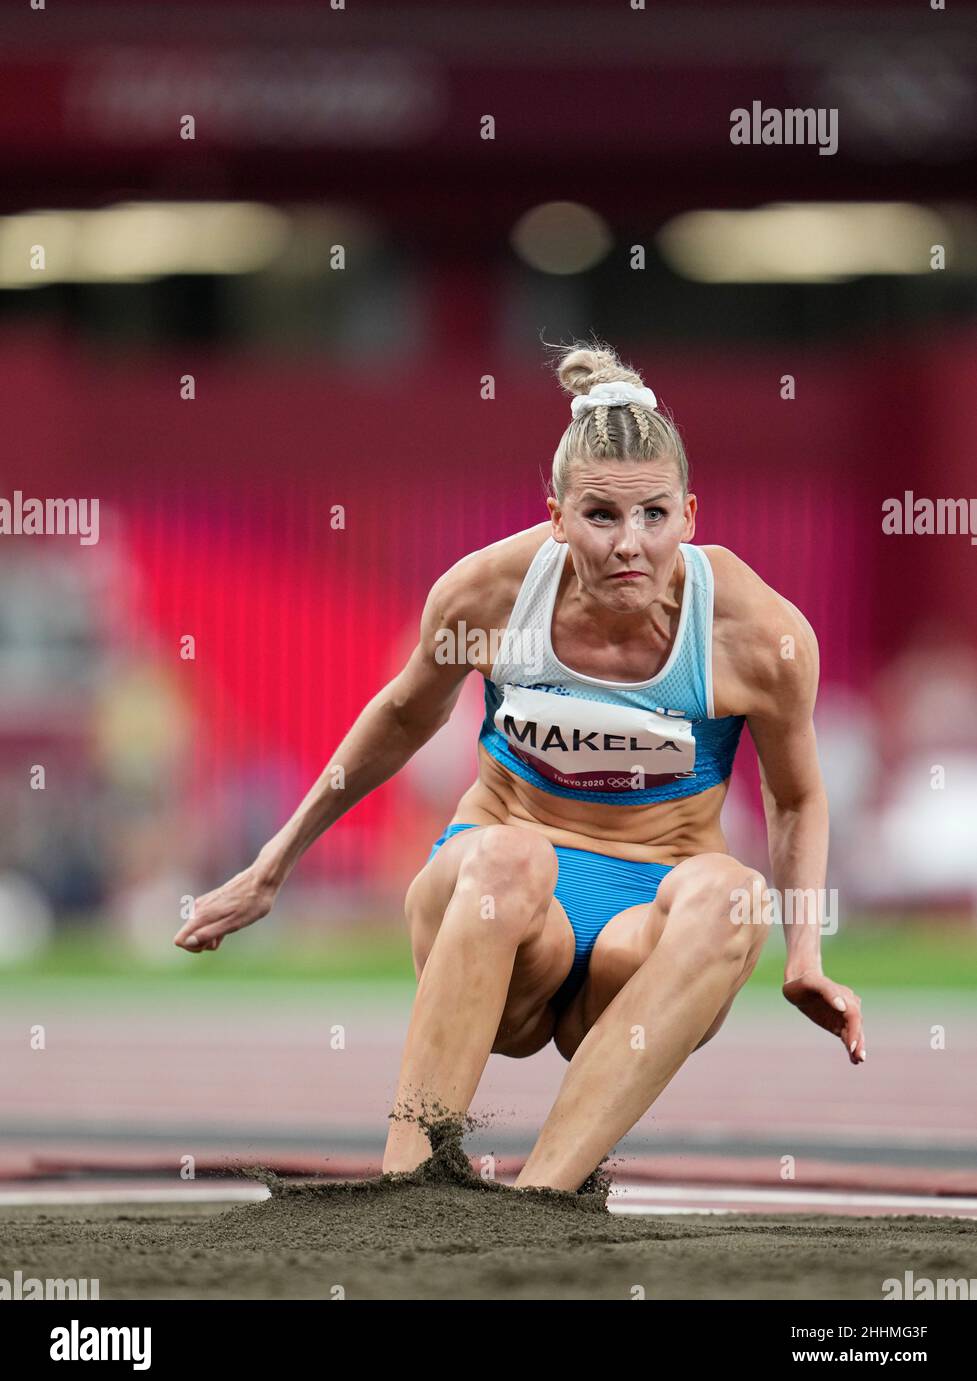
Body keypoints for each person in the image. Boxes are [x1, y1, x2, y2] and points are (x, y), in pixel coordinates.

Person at [174, 340, 866, 1194]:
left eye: (653, 516)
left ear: (689, 516)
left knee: (734, 894)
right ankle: (408, 1190)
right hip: (501, 914)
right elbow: (399, 716)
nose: (629, 546)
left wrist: (805, 954)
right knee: (511, 855)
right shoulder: (492, 596)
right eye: (600, 518)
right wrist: (268, 869)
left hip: (636, 940)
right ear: (555, 517)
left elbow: (795, 798)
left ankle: (544, 1199)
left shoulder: (758, 637)